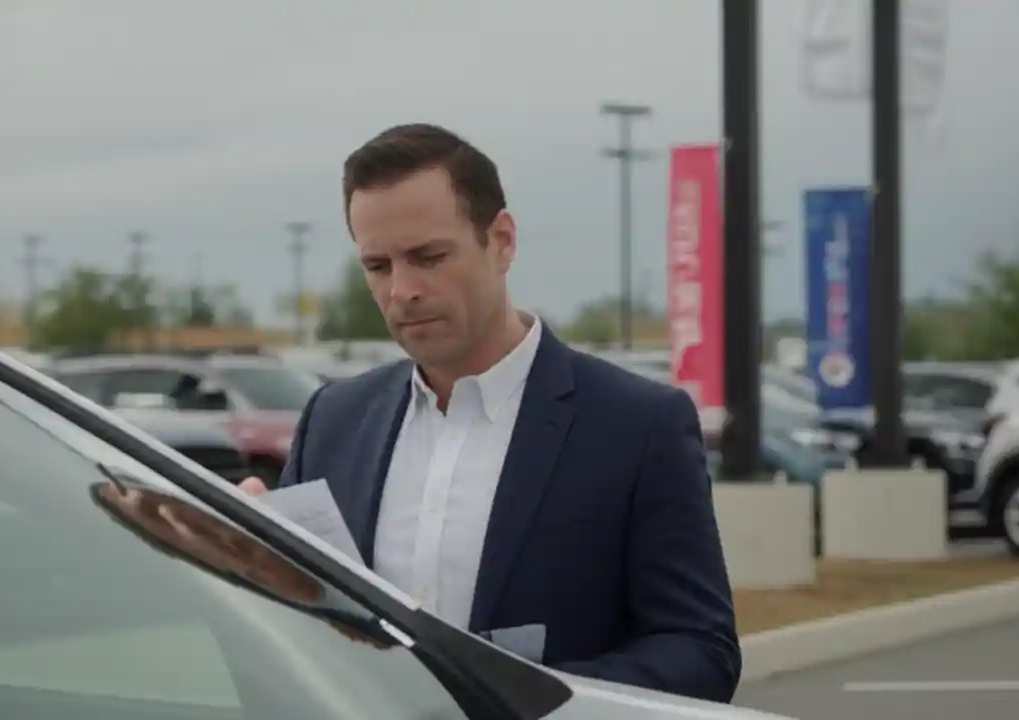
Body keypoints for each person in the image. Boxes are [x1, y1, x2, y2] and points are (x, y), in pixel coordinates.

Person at [240, 123, 740, 702]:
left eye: (428, 257)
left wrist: (522, 699)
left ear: (501, 240)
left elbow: (700, 651)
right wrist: (241, 566)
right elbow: (297, 635)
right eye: (378, 266)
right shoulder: (334, 419)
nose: (402, 290)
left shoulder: (637, 425)